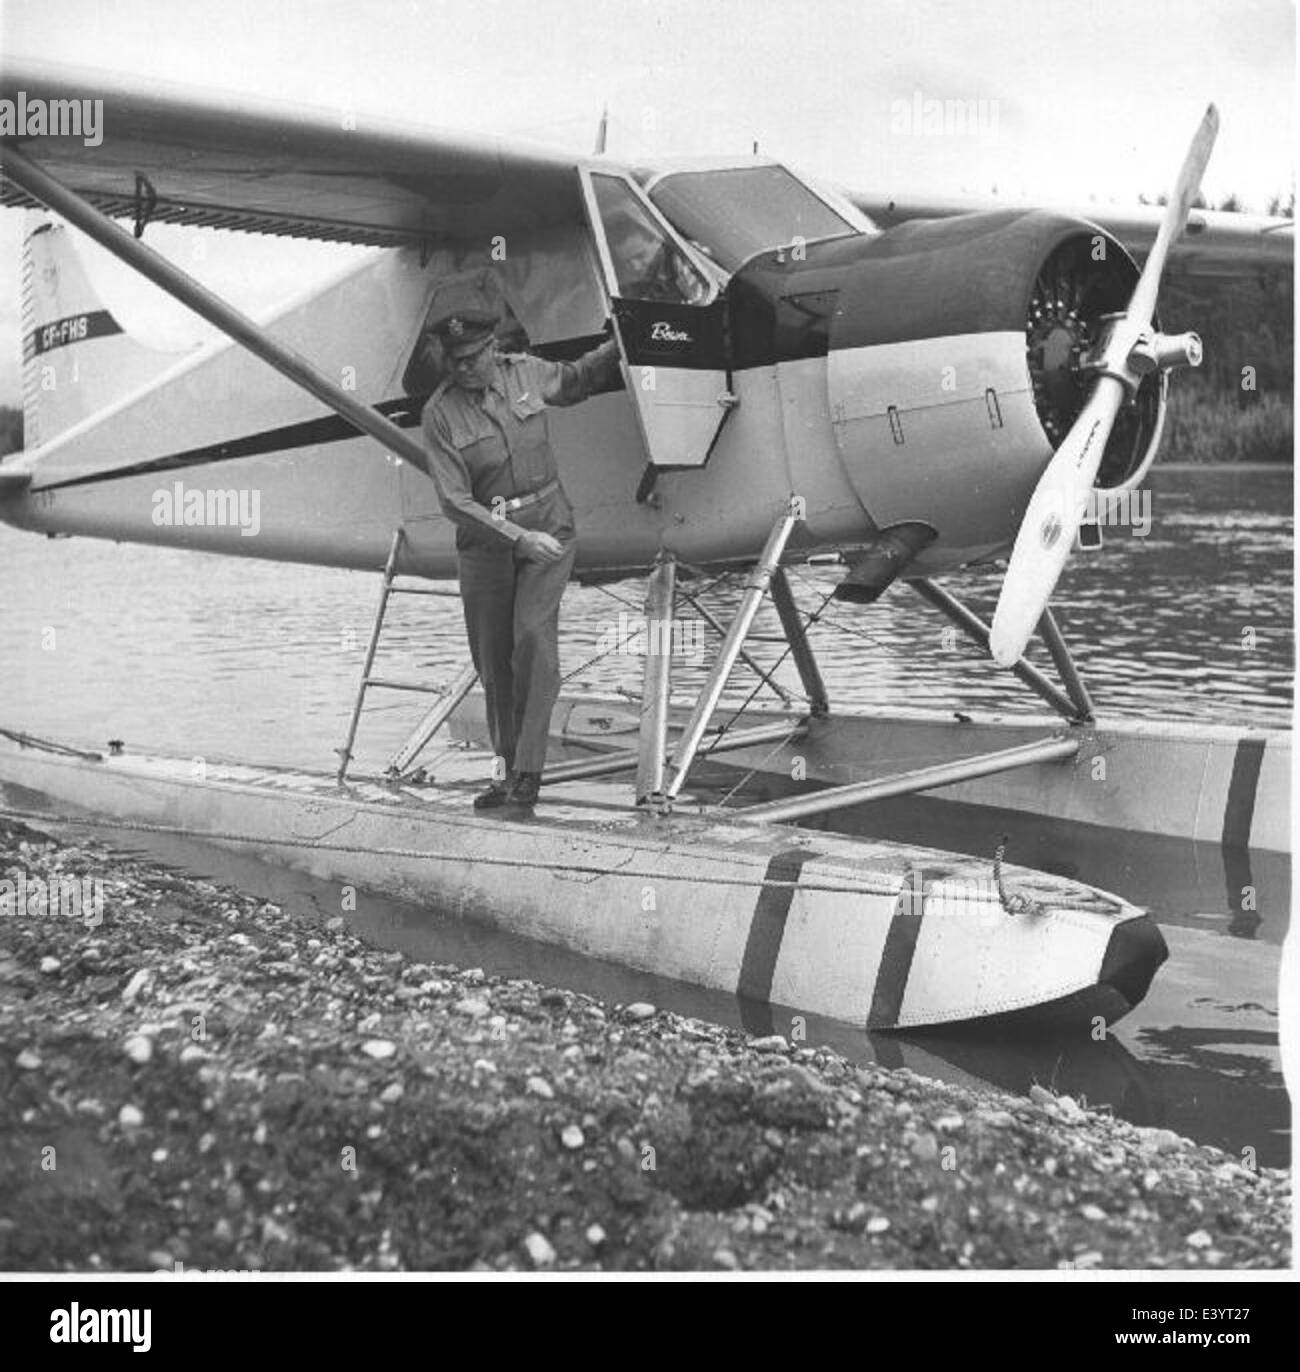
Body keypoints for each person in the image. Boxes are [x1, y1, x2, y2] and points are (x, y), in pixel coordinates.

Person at [420, 271, 621, 817]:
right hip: (487, 545)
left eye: (471, 356)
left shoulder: (526, 374)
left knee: (533, 638)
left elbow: (577, 380)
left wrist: (621, 341)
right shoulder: (438, 415)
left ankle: (529, 774)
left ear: (493, 347)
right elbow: (455, 502)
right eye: (453, 359)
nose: (462, 368)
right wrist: (515, 537)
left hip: (550, 528)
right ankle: (509, 772)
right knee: (494, 662)